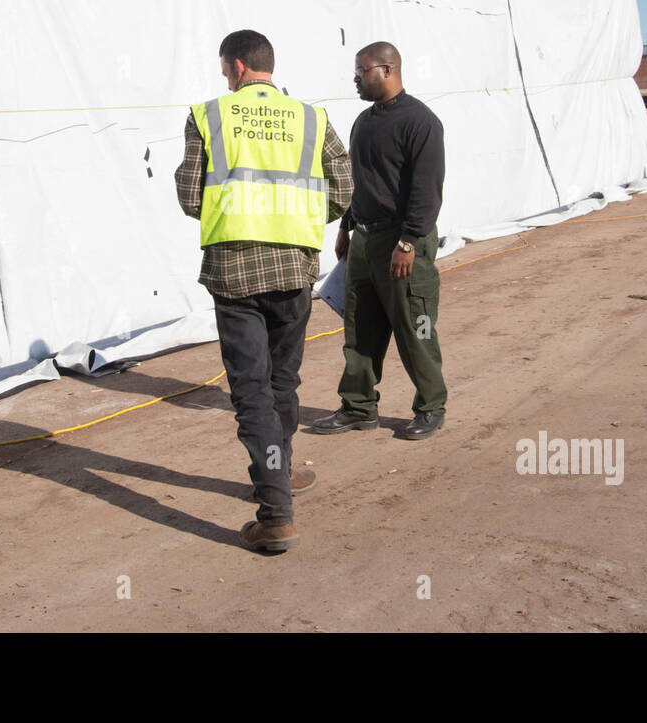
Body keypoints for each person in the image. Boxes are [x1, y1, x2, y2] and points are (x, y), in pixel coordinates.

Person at [175, 30, 352, 552]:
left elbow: (191, 196)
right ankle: (281, 469)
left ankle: (275, 511)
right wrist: (294, 219)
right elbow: (342, 190)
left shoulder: (209, 116)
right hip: (294, 267)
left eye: (222, 69)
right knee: (283, 381)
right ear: (267, 67)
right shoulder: (312, 118)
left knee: (251, 388)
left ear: (234, 67)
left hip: (233, 270)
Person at [309, 41, 448, 440]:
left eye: (361, 71)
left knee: (414, 326)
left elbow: (427, 190)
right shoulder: (363, 122)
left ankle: (431, 407)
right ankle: (357, 406)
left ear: (387, 70)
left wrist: (407, 242)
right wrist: (345, 227)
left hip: (403, 240)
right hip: (364, 240)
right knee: (360, 328)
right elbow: (359, 181)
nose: (355, 79)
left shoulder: (420, 122)